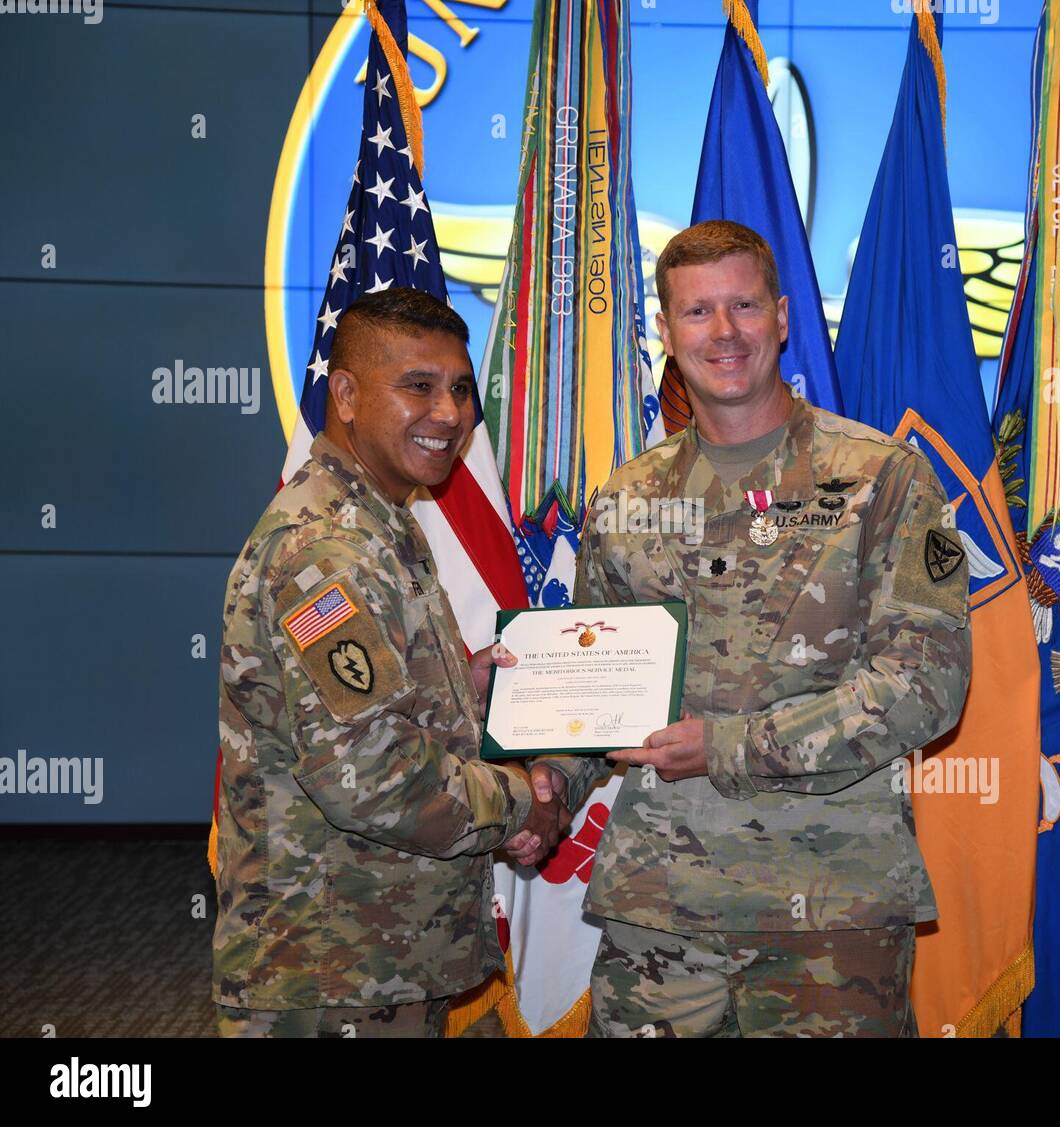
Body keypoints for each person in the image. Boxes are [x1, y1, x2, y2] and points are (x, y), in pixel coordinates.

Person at [542, 220, 973, 1037]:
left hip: (829, 918)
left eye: (744, 305)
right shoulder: (626, 496)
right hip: (660, 913)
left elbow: (927, 685)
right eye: (698, 312)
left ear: (781, 316)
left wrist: (731, 745)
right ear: (665, 334)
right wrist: (543, 788)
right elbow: (595, 691)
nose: (725, 331)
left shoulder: (888, 478)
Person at [212, 288, 565, 1038]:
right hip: (331, 975)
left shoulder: (381, 519)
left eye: (461, 389)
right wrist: (518, 803)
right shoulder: (325, 549)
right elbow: (370, 776)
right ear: (344, 393)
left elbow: (372, 701)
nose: (449, 412)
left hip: (377, 954)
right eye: (419, 387)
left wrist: (467, 688)